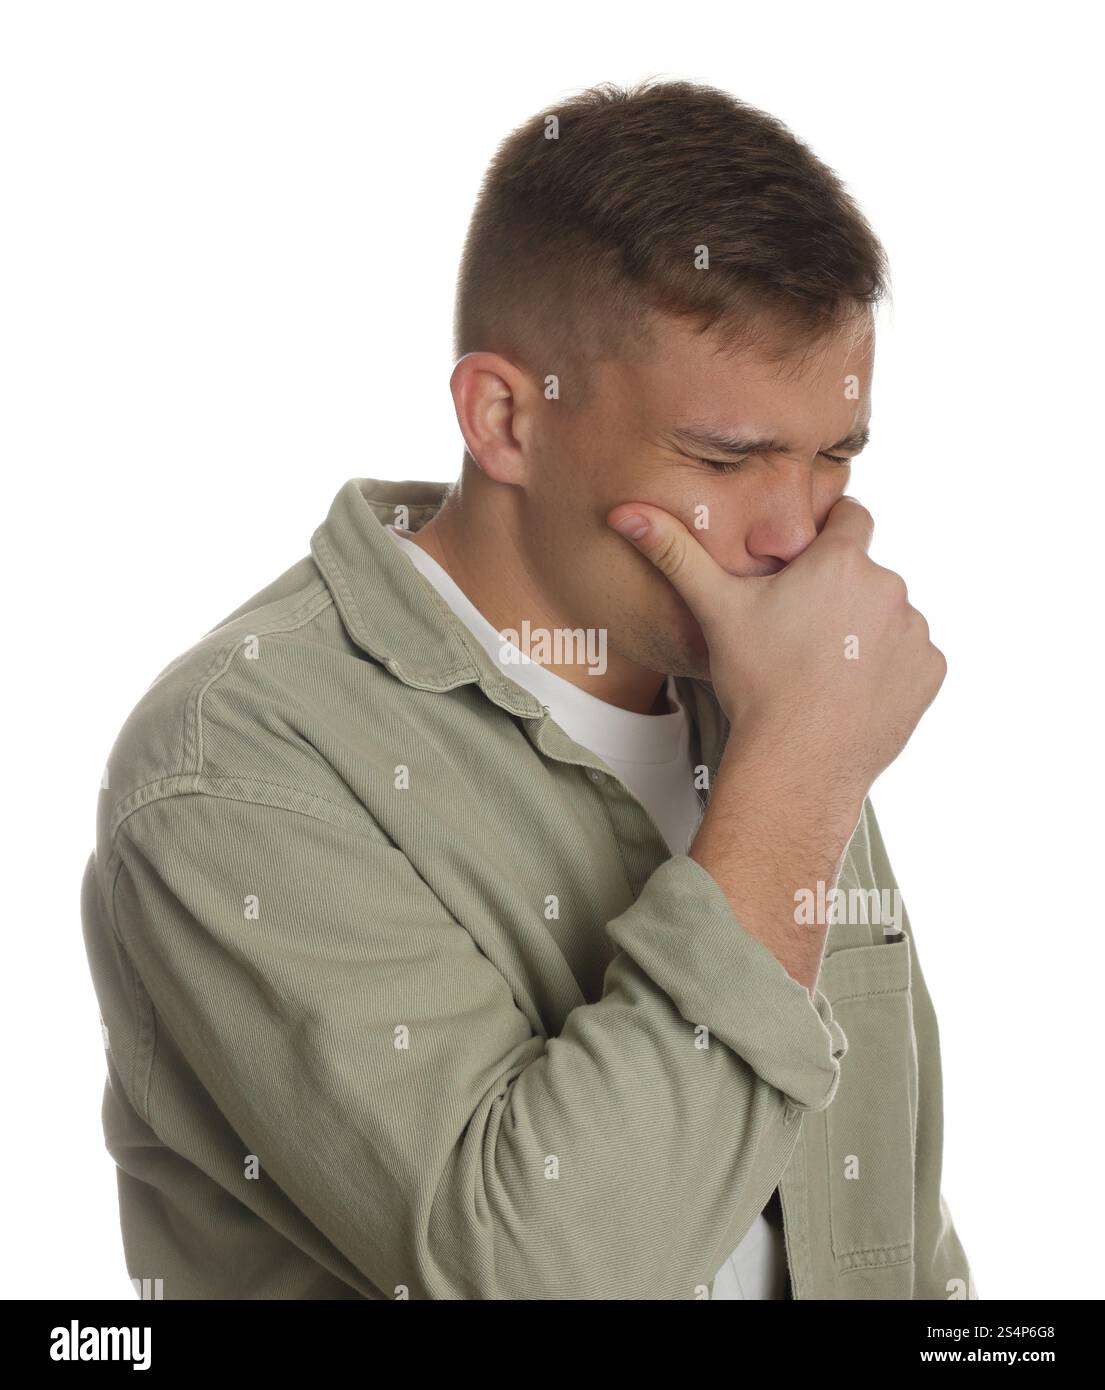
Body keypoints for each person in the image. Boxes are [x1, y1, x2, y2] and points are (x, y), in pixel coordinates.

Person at [80, 78, 976, 1299]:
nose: (793, 530)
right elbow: (540, 1274)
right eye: (724, 457)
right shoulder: (237, 766)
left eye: (831, 456)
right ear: (505, 416)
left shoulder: (763, 683)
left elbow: (896, 1244)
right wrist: (804, 772)